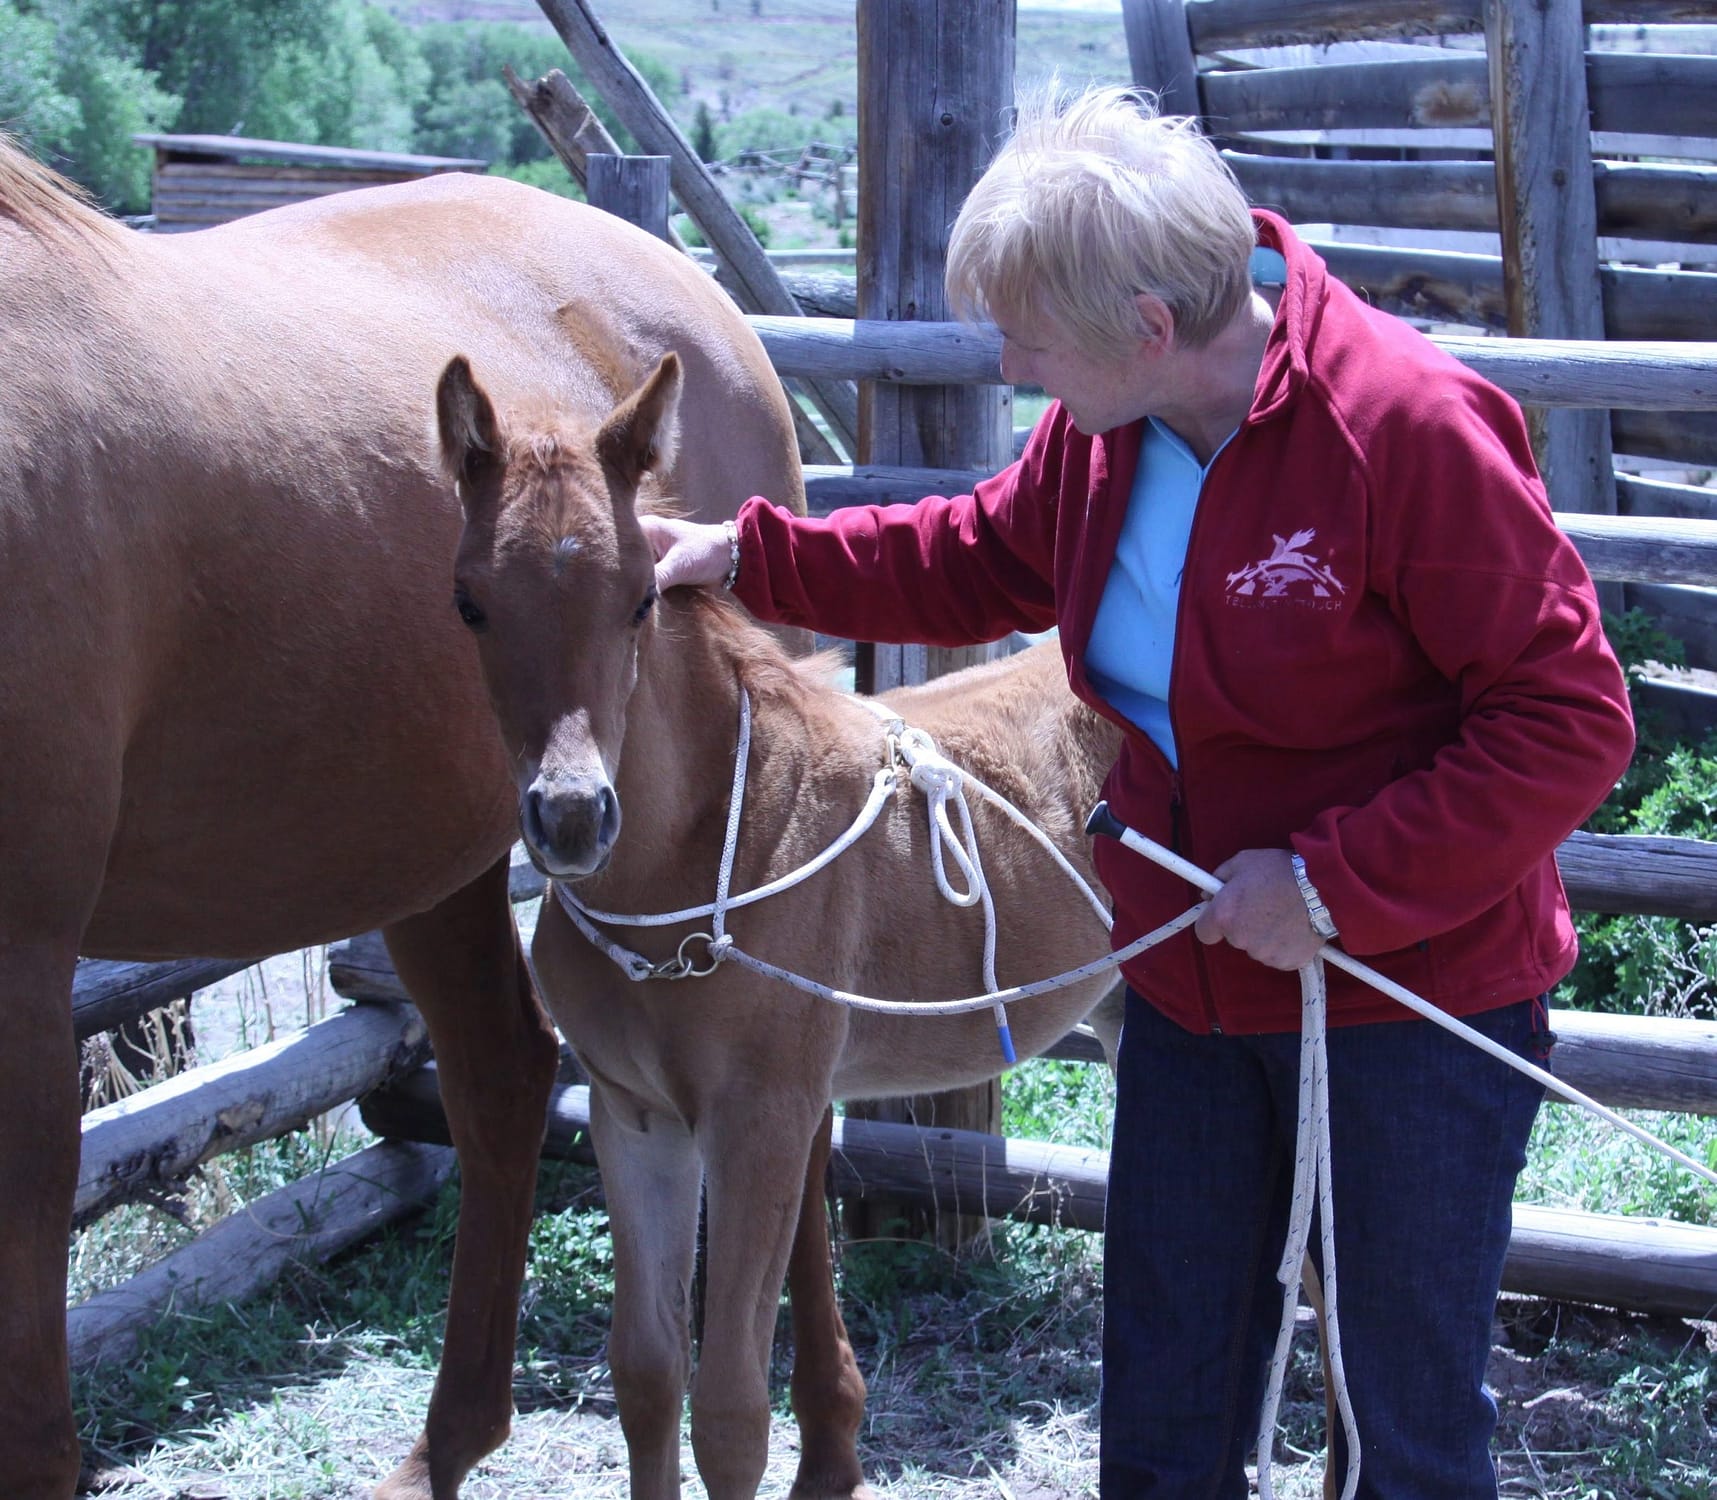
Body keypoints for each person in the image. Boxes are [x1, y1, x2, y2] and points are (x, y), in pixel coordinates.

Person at [644, 86, 1635, 1498]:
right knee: (1167, 1410)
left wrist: (1333, 885)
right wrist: (748, 556)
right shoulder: (1110, 430)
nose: (1009, 363)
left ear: (1148, 327)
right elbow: (977, 552)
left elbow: (1568, 718)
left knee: (1400, 1421)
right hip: (1189, 981)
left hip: (1406, 1003)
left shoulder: (1404, 428)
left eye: (1027, 338)